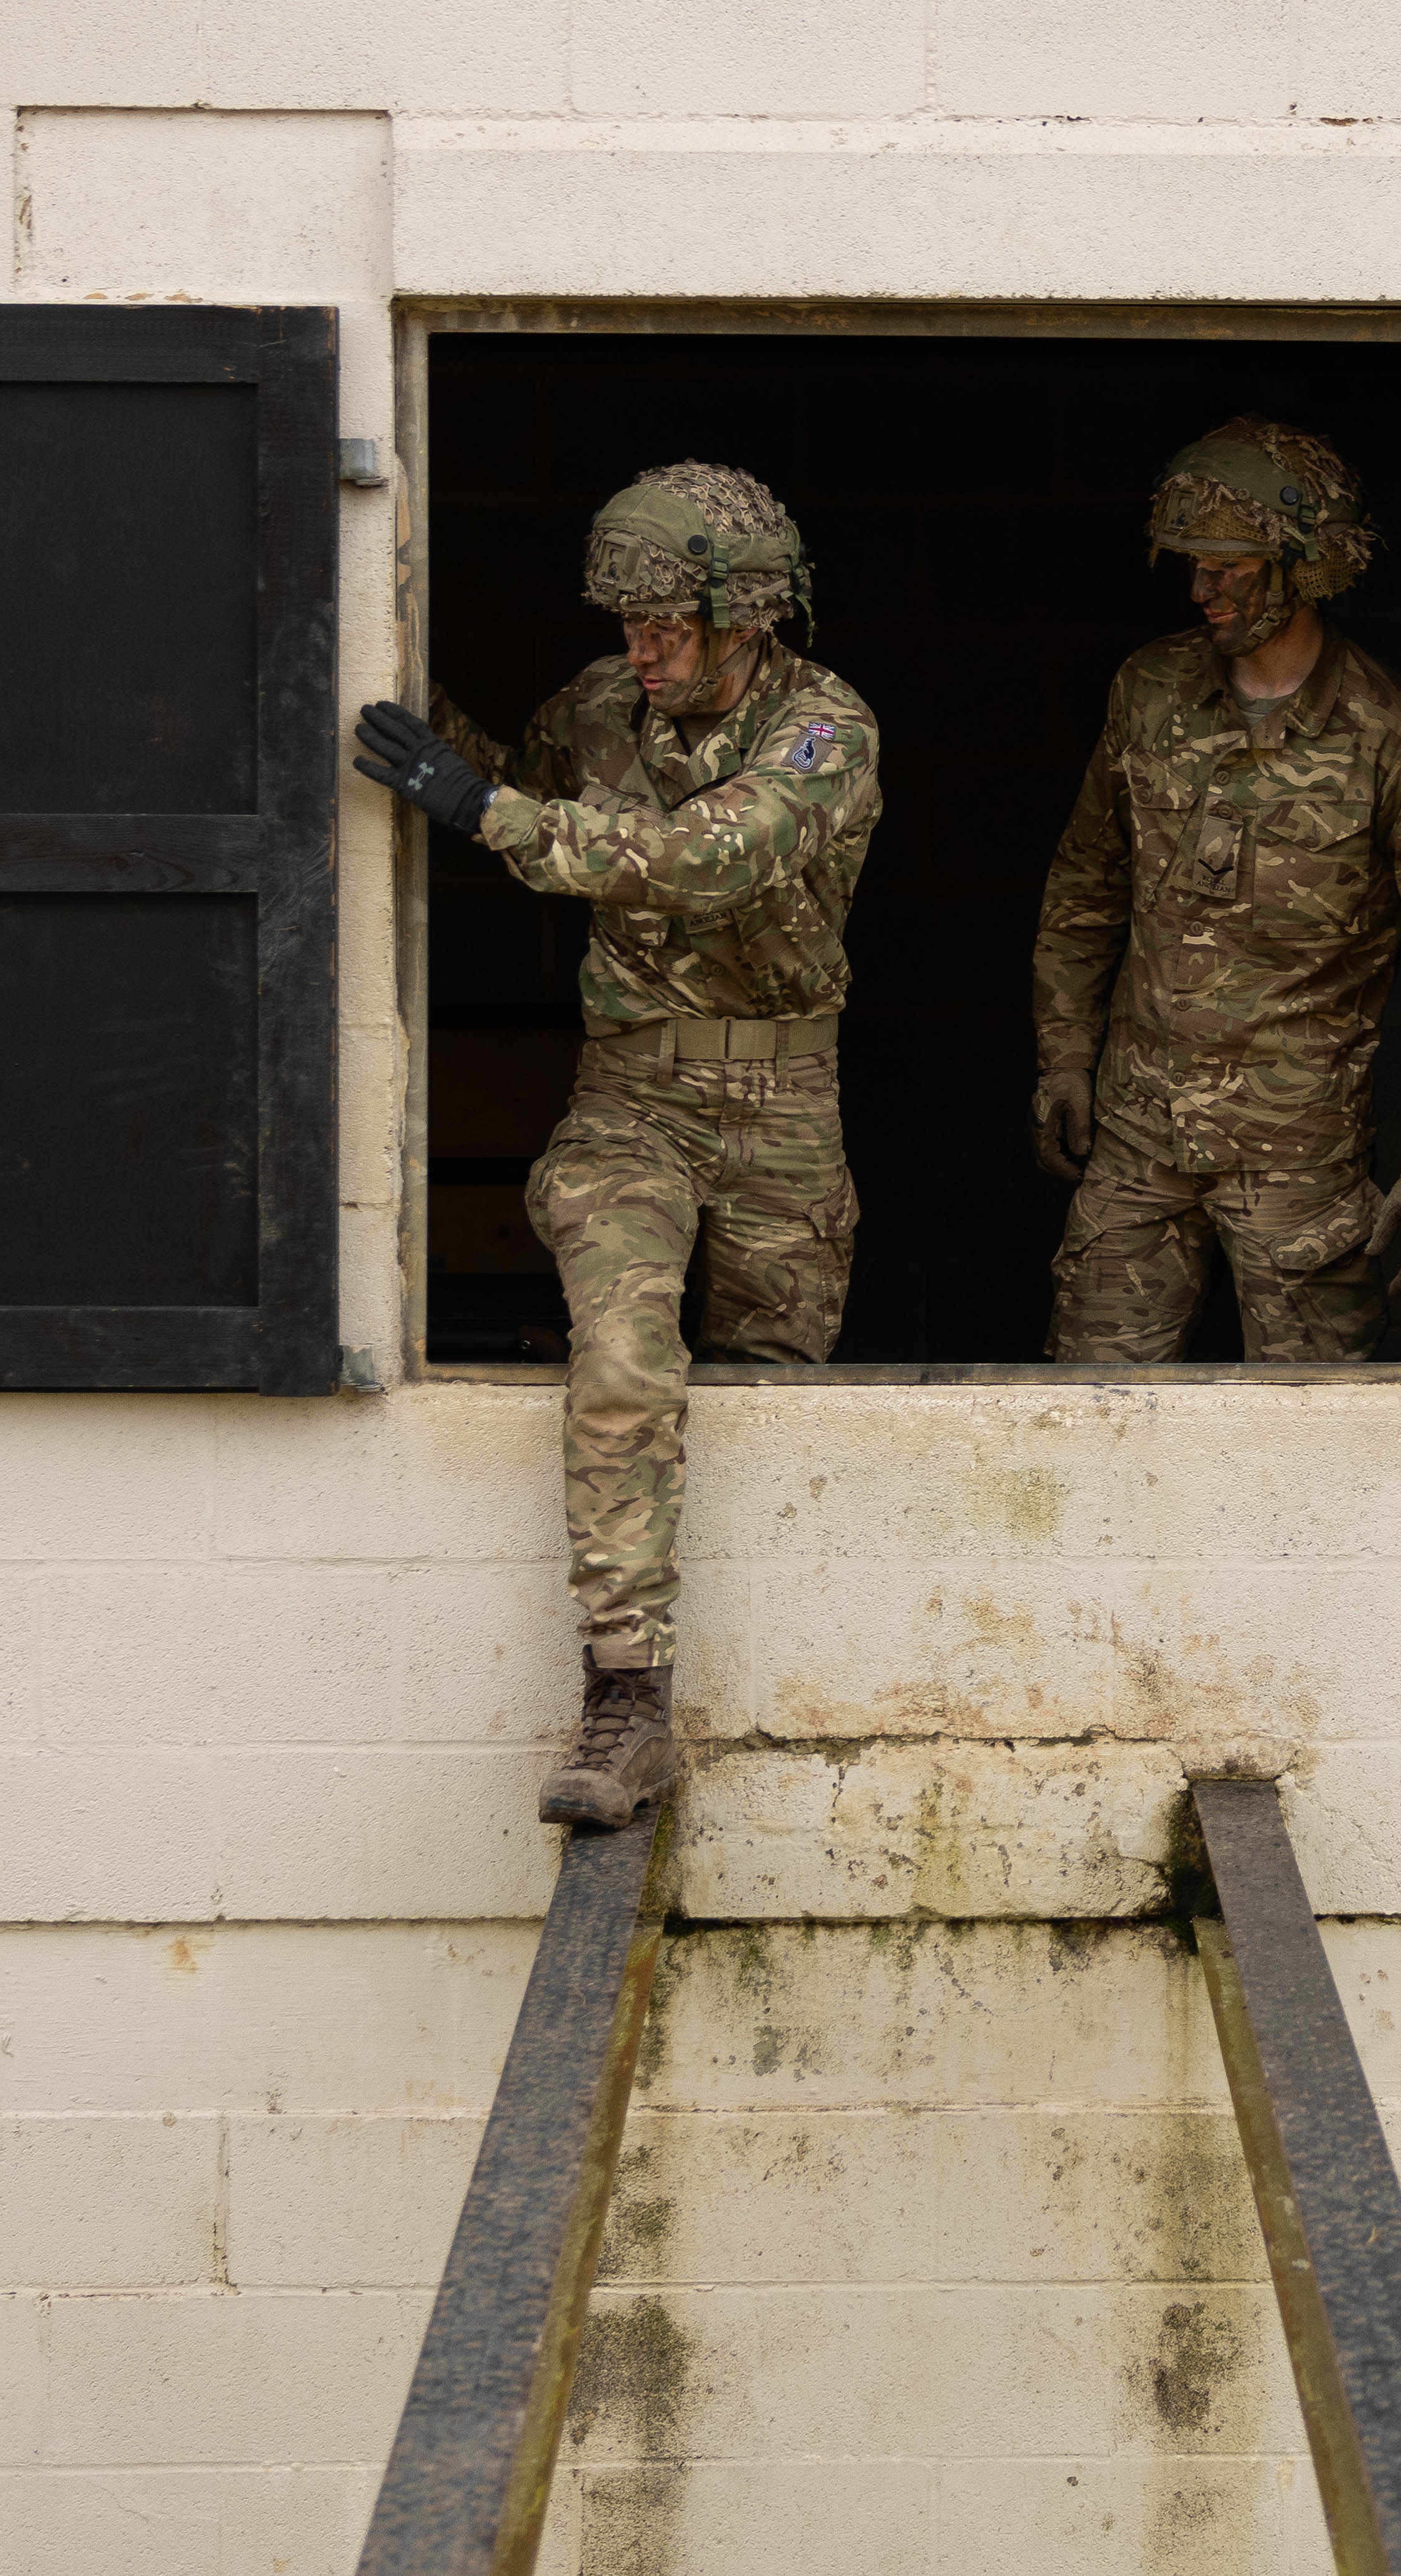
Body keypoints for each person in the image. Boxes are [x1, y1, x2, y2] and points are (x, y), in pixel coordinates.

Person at [350, 464, 880, 1828]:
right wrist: (387, 699)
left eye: (663, 622)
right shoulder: (601, 705)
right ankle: (625, 1701)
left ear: (744, 616)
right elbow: (510, 788)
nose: (638, 647)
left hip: (784, 1111)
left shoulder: (823, 728)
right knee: (627, 1357)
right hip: (630, 1100)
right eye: (625, 618)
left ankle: (808, 1716)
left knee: (781, 1398)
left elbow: (705, 855)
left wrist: (494, 815)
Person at [1030, 415, 1401, 1362]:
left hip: (1298, 1160)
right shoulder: (1151, 690)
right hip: (1136, 1141)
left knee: (1315, 1446)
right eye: (1190, 563)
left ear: (1305, 565)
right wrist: (1063, 1055)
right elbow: (1085, 881)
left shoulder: (1388, 736)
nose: (1200, 589)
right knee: (1083, 1415)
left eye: (1230, 567)